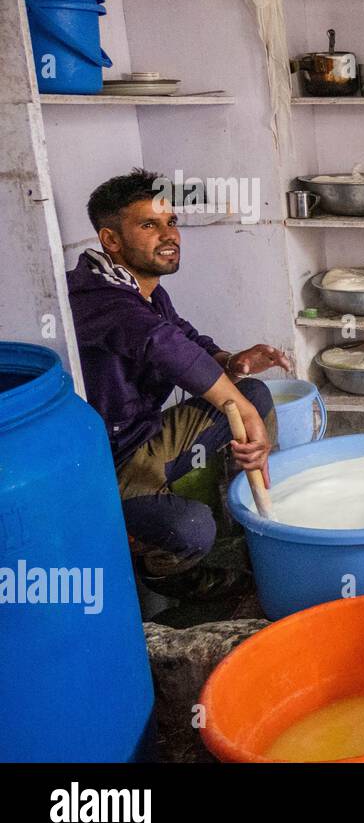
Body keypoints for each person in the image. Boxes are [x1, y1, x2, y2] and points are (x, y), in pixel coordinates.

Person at [66, 169, 290, 597]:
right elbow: (162, 344)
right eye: (149, 225)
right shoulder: (97, 298)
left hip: (147, 439)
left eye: (171, 223)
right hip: (106, 467)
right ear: (111, 240)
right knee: (190, 527)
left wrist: (230, 360)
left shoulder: (140, 287)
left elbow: (183, 336)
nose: (169, 235)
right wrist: (243, 414)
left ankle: (256, 514)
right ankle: (166, 574)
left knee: (252, 392)